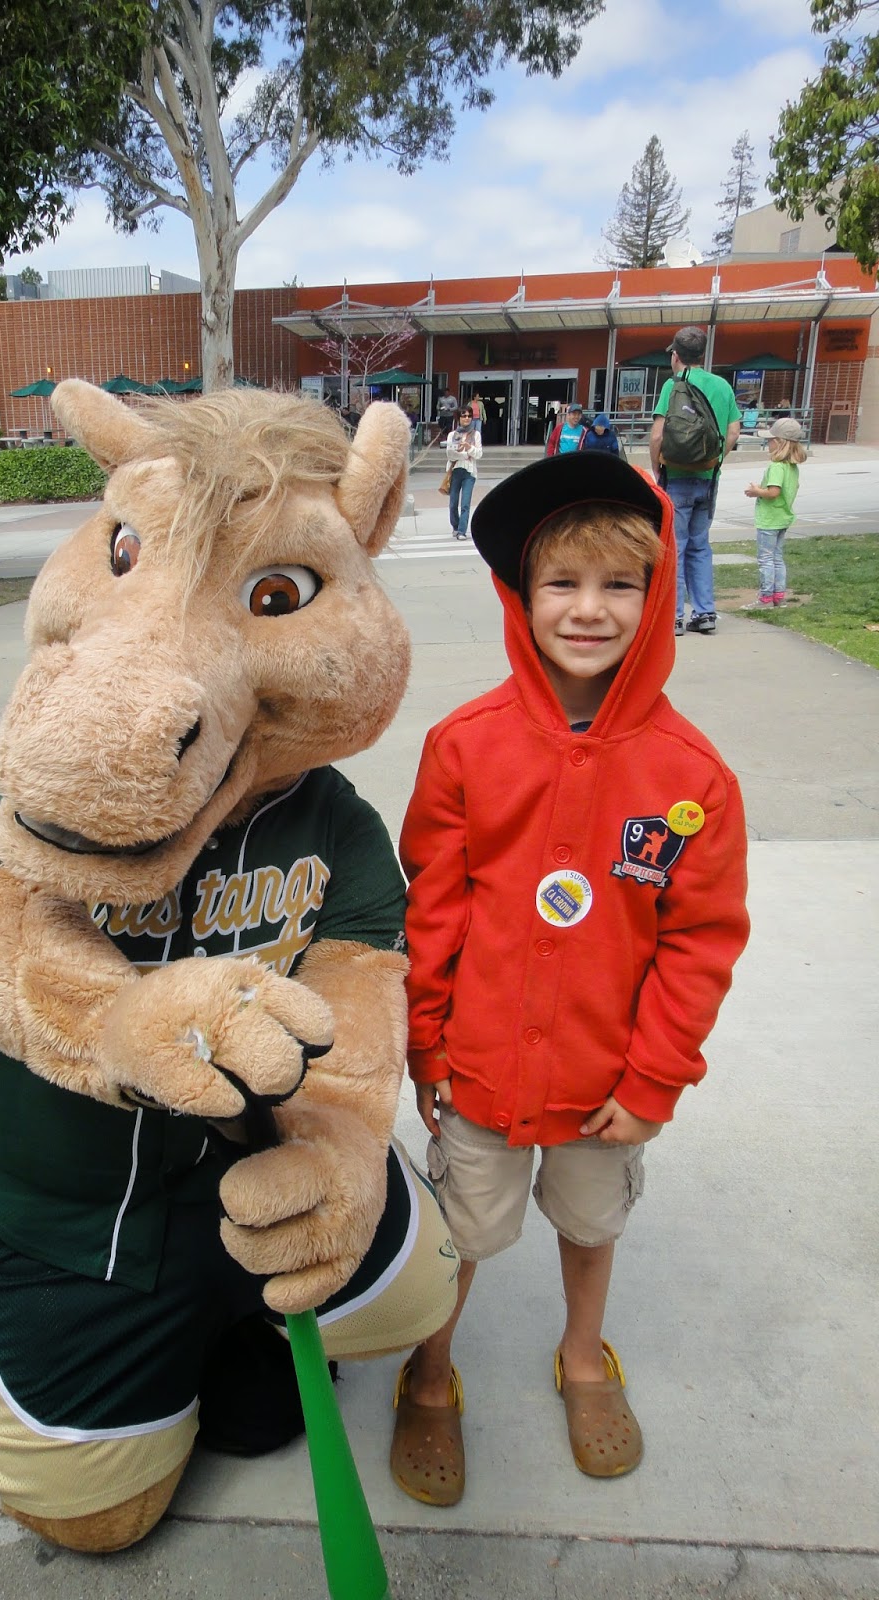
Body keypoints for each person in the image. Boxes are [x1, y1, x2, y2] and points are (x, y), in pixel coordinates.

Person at [388, 451, 749, 1507]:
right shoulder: (464, 748)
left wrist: (653, 1081)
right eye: (563, 583)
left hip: (606, 1084)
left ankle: (584, 1356)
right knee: (467, 1232)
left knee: (593, 1226)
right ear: (520, 594)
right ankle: (432, 1366)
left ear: (657, 593)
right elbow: (431, 913)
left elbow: (702, 940)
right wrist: (429, 1052)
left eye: (619, 585)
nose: (589, 610)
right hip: (482, 1072)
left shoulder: (693, 779)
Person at [650, 326, 742, 638]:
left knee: (674, 547)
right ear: (701, 354)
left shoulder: (672, 387)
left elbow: (658, 435)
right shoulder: (722, 386)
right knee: (700, 545)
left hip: (676, 478)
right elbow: (733, 431)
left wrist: (656, 471)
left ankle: (674, 616)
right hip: (707, 477)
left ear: (676, 354)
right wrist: (715, 460)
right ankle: (704, 613)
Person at [744, 417, 806, 608]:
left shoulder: (777, 467)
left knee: (766, 559)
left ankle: (765, 598)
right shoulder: (792, 467)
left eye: (770, 440)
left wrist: (756, 492)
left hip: (769, 520)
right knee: (777, 558)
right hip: (782, 518)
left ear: (780, 442)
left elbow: (773, 492)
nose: (768, 443)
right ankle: (778, 595)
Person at [445, 407, 482, 538]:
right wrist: (464, 455)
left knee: (465, 503)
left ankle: (462, 531)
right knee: (453, 503)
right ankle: (455, 526)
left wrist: (468, 448)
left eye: (469, 416)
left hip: (469, 473)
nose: (467, 418)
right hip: (455, 471)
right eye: (464, 416)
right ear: (459, 418)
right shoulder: (453, 435)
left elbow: (479, 454)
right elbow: (450, 454)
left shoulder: (475, 434)